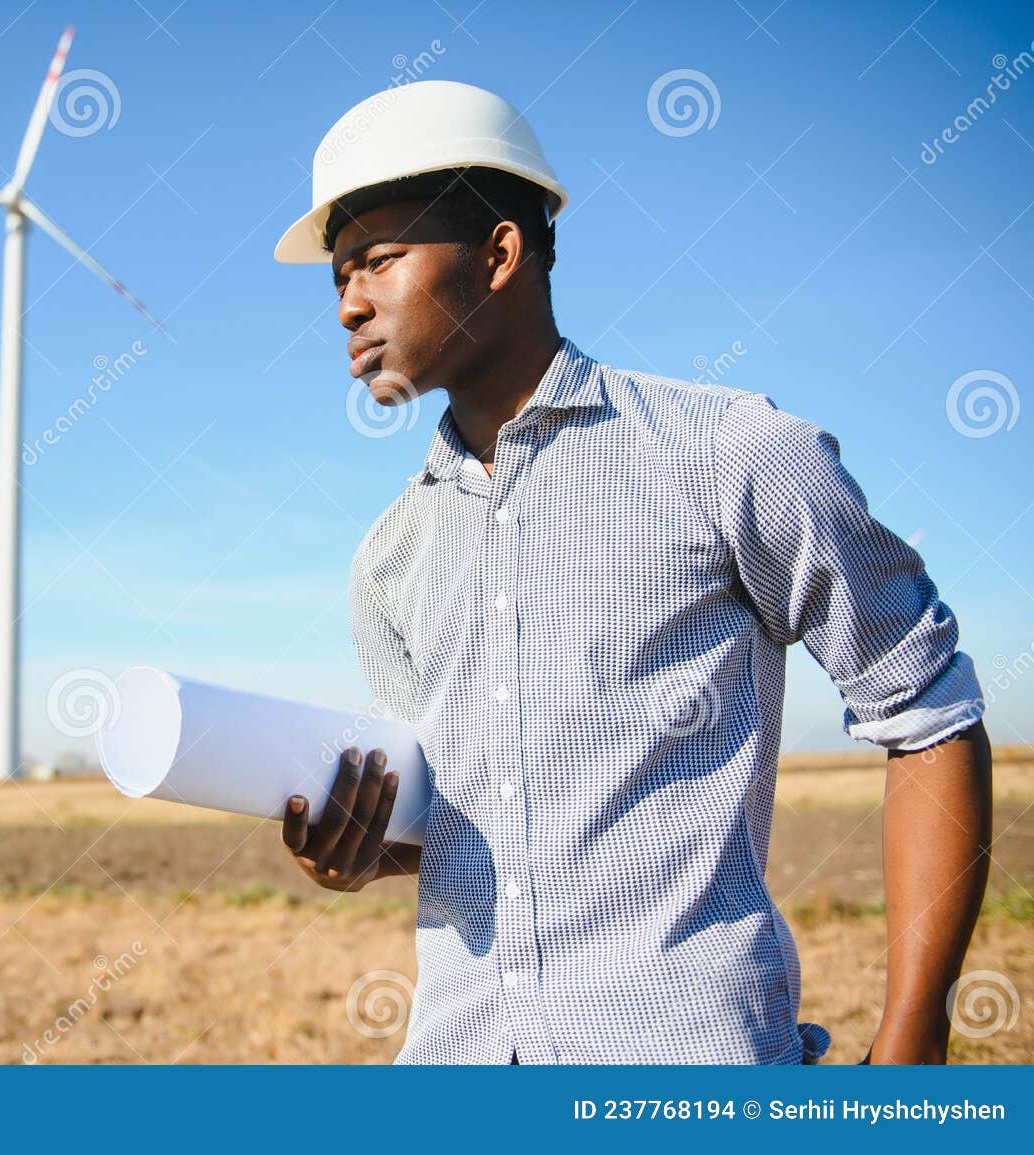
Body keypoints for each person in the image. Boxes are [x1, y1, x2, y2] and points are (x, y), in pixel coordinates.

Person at [274, 80, 992, 1065]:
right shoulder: (387, 560)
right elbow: (464, 831)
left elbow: (929, 716)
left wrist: (912, 1043)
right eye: (337, 278)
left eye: (378, 262)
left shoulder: (727, 454)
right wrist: (358, 854)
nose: (349, 303)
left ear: (497, 253)